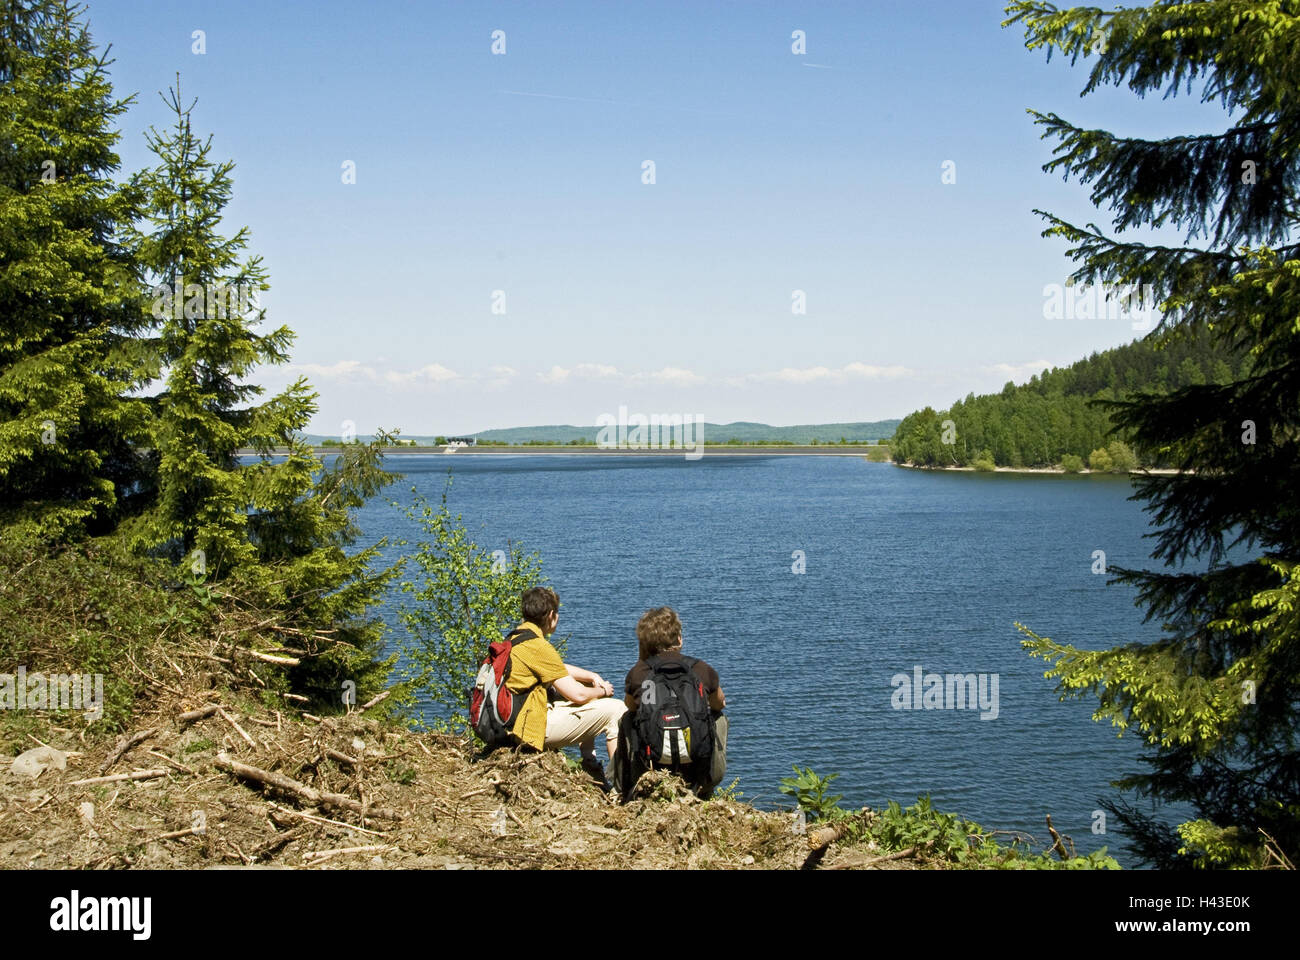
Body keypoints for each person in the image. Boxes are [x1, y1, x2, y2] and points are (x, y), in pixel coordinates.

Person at [504, 586, 626, 785]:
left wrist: (590, 676)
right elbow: (577, 695)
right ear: (551, 615)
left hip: (513, 722)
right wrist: (603, 691)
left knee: (587, 697)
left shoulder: (516, 638)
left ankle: (590, 762)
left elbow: (556, 667)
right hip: (529, 728)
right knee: (616, 709)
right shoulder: (538, 646)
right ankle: (621, 785)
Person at [612, 606, 728, 798]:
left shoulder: (638, 673)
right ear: (679, 639)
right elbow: (719, 704)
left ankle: (630, 783)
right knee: (719, 718)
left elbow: (630, 706)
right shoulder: (702, 669)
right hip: (695, 756)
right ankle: (706, 783)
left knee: (626, 719)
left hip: (653, 757)